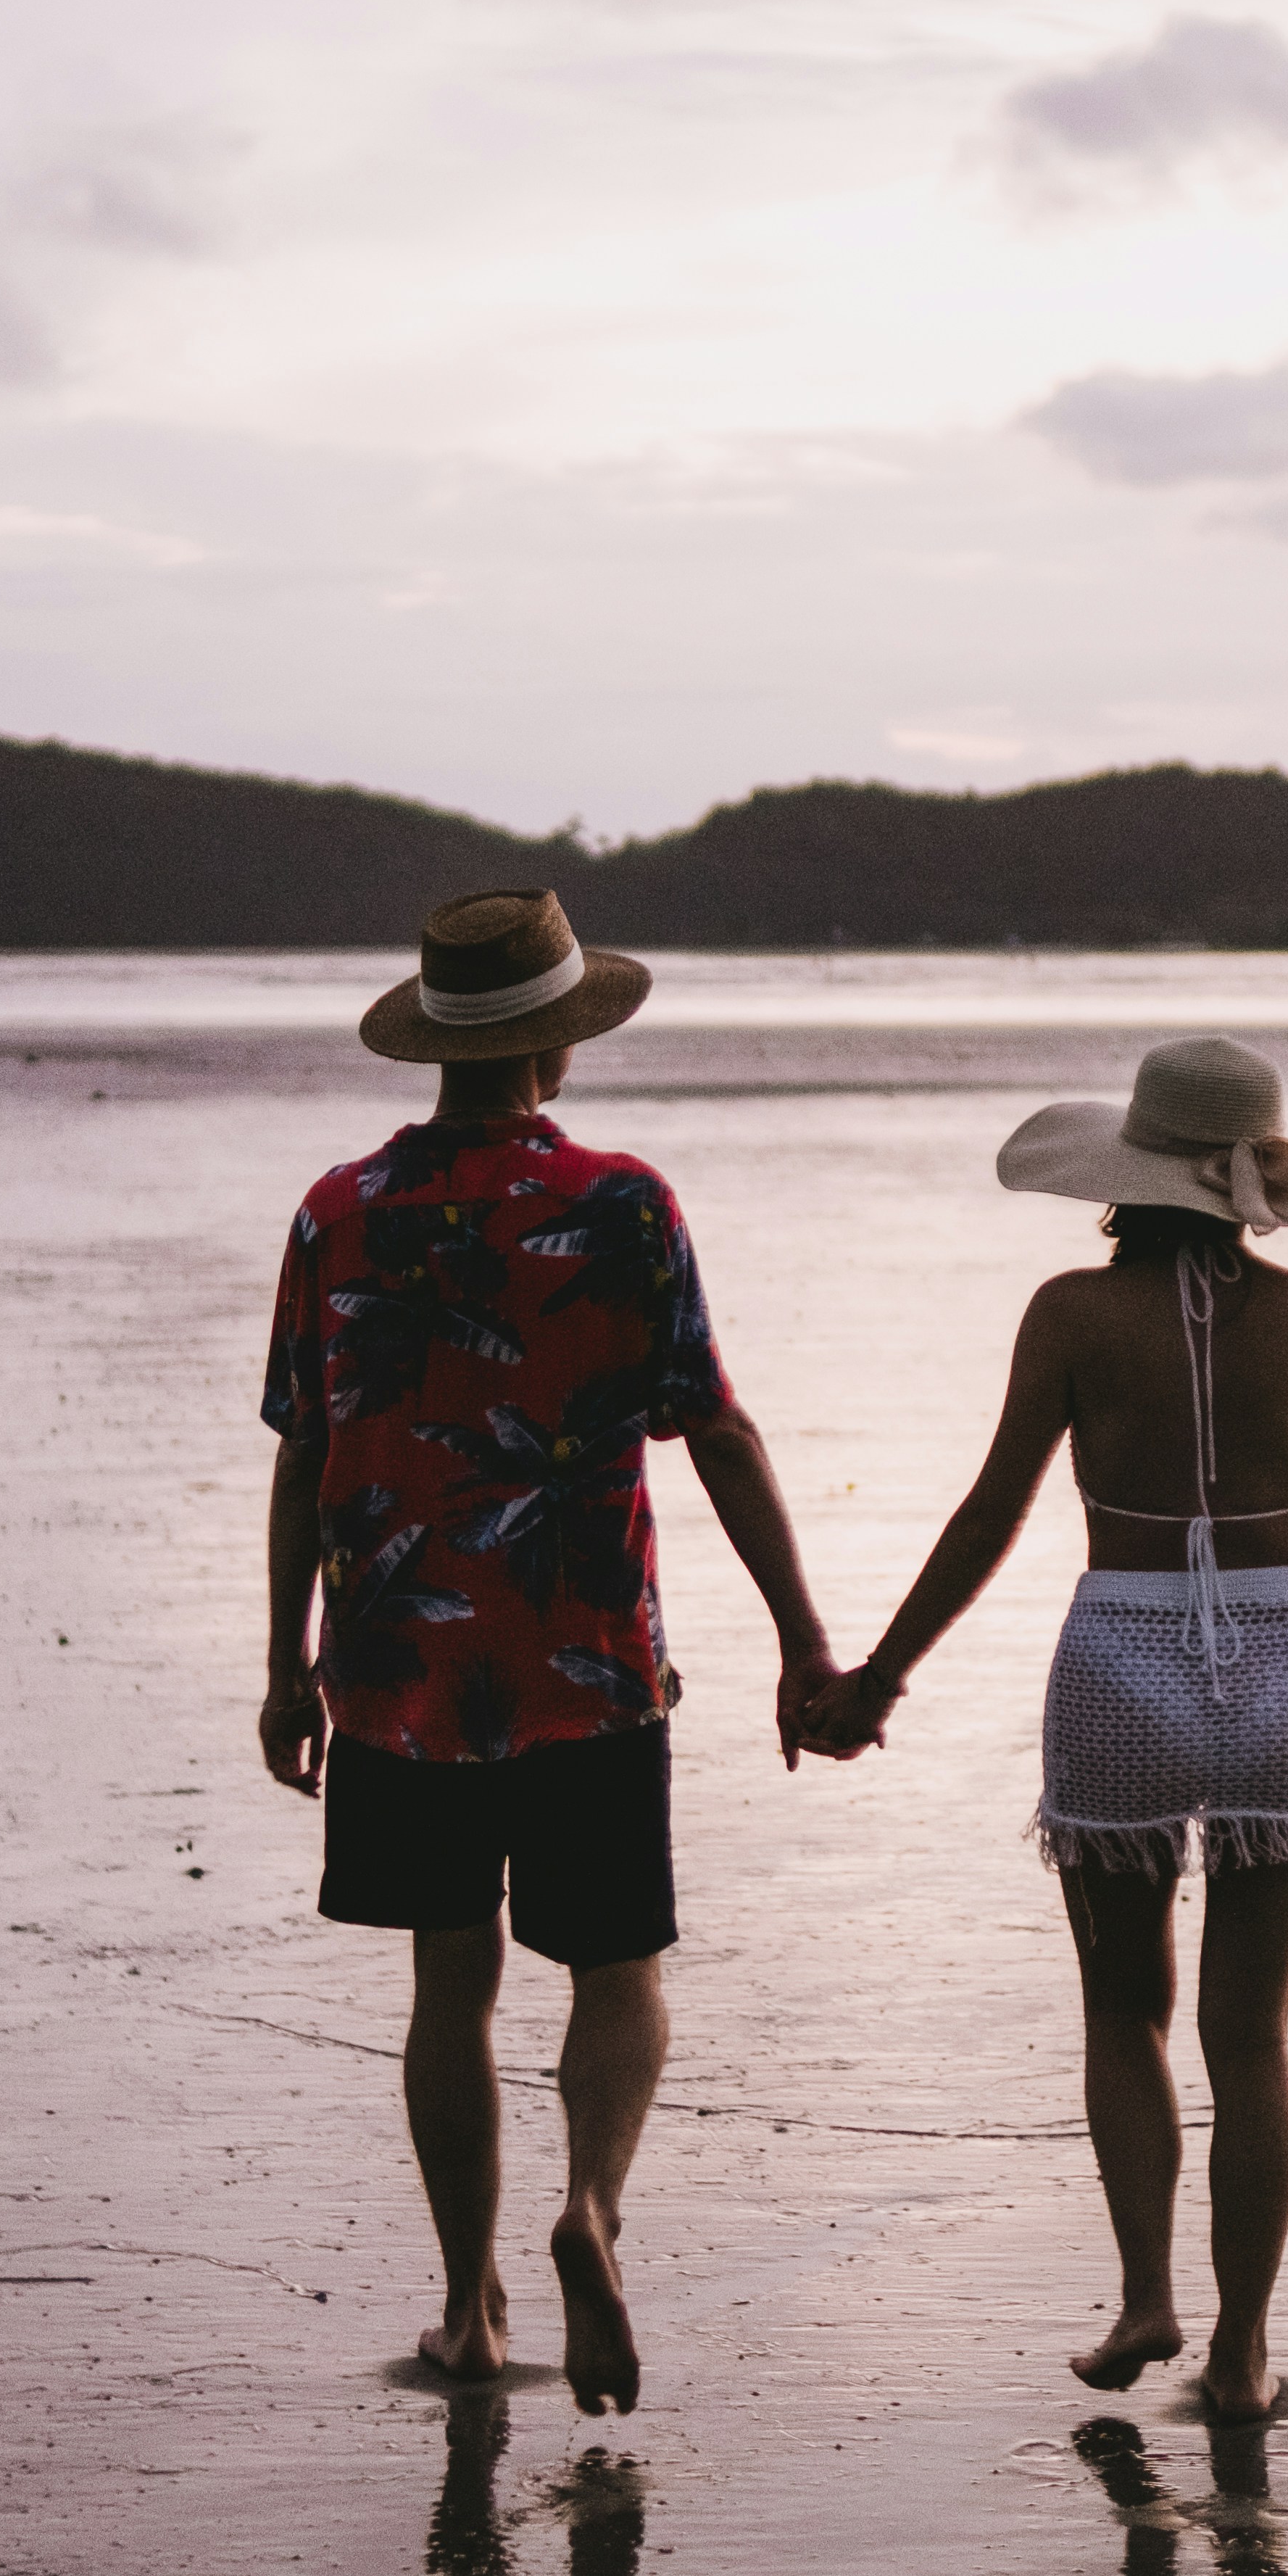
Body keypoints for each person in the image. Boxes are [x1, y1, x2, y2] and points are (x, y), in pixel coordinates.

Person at [792, 1036, 1288, 2423]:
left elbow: (990, 1513)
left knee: (1125, 2008)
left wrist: (875, 1676)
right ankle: (1241, 2350)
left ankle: (1144, 2296)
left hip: (1120, 1655)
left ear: (1130, 1176)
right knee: (1253, 2036)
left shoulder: (1067, 1313)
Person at [257, 888, 842, 2416]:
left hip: (396, 1667)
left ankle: (468, 2310)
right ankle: (589, 2206)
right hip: (586, 1658)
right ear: (556, 1048)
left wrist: (282, 1660)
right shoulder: (624, 1207)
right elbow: (712, 1427)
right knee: (615, 1965)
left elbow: (304, 1453)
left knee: (445, 1983)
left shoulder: (336, 1210)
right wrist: (801, 1640)